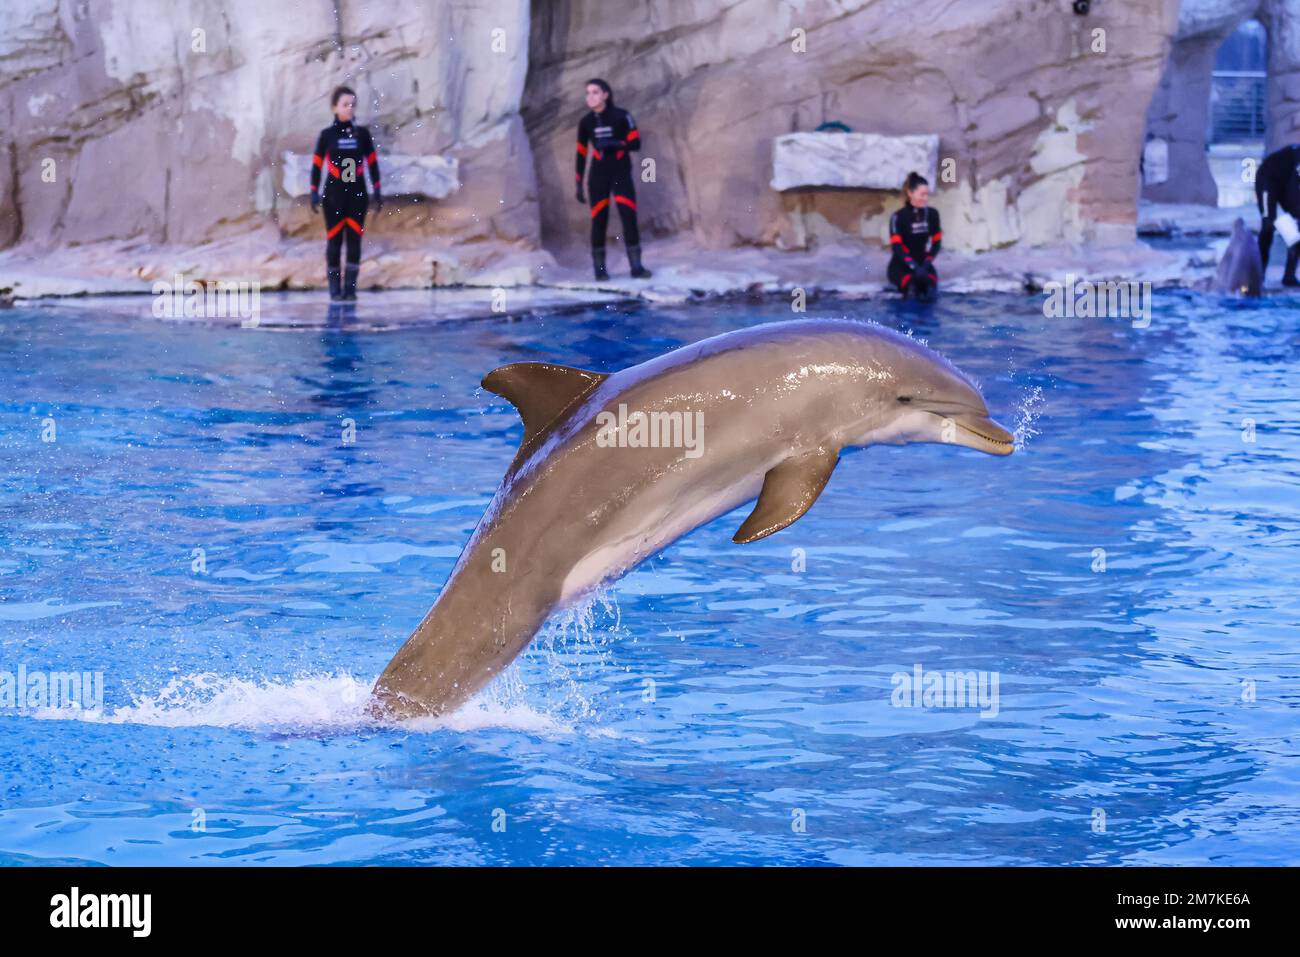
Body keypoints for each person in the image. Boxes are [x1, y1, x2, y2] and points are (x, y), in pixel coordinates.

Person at [310, 86, 383, 301]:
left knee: (354, 241)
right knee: (334, 242)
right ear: (334, 107)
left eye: (352, 104)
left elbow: (371, 162)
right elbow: (316, 165)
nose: (349, 108)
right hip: (333, 197)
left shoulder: (362, 134)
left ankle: (350, 290)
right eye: (345, 104)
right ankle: (334, 291)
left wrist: (377, 189)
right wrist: (314, 192)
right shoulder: (327, 135)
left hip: (357, 196)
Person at [575, 78, 651, 280]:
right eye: (588, 93)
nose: (590, 97)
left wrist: (616, 143)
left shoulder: (622, 115)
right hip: (597, 176)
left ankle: (637, 267)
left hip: (620, 174)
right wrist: (578, 183)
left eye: (595, 92)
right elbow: (581, 154)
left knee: (629, 217)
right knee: (599, 220)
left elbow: (636, 143)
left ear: (606, 94)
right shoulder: (586, 122)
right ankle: (600, 271)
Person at [887, 172, 942, 298]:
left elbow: (936, 244)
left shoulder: (933, 214)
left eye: (927, 194)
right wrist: (914, 267)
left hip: (924, 264)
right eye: (922, 194)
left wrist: (926, 264)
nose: (926, 198)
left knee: (930, 291)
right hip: (901, 266)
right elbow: (897, 248)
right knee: (911, 290)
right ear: (910, 193)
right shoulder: (898, 217)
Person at [1255, 143, 1300, 287]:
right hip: (1267, 180)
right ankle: (1258, 274)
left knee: (1297, 231)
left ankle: (1289, 276)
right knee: (1268, 224)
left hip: (1287, 183)